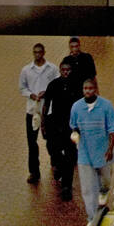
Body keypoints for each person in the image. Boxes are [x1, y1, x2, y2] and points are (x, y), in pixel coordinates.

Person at [69, 77, 114, 226]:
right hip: (85, 155)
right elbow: (74, 126)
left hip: (103, 152)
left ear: (95, 89)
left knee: (105, 182)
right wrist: (75, 134)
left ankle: (104, 191)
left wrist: (110, 149)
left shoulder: (106, 106)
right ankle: (92, 218)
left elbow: (113, 129)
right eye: (85, 89)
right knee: (88, 189)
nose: (87, 91)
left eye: (90, 88)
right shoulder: (76, 107)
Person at [41, 58, 81, 201]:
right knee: (53, 149)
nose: (65, 72)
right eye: (63, 70)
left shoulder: (77, 85)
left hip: (71, 125)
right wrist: (43, 123)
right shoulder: (53, 85)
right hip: (55, 124)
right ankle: (58, 165)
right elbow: (46, 105)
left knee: (70, 155)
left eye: (68, 70)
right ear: (60, 71)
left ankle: (66, 187)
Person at [19, 42, 58, 184]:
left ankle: (56, 164)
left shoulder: (52, 69)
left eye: (40, 52)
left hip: (49, 110)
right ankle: (34, 172)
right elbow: (22, 88)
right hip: (32, 110)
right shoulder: (26, 70)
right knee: (32, 142)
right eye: (35, 52)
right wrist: (31, 95)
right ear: (33, 53)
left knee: (51, 139)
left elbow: (58, 85)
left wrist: (47, 93)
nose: (38, 54)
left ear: (44, 52)